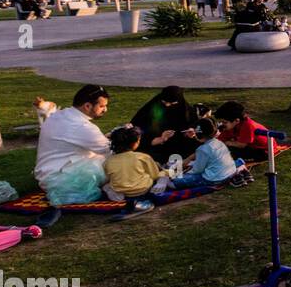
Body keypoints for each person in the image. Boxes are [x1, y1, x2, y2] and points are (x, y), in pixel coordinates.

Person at [33, 83, 112, 222]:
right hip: (64, 181)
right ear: (87, 106)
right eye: (102, 106)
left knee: (101, 156)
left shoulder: (58, 116)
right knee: (120, 160)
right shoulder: (82, 126)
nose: (105, 110)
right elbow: (113, 149)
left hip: (47, 175)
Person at [102, 124, 172, 214]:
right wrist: (166, 172)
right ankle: (142, 201)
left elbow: (109, 178)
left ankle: (121, 200)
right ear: (136, 143)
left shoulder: (108, 161)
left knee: (107, 186)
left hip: (122, 192)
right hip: (144, 190)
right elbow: (154, 175)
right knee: (161, 177)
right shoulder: (142, 157)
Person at [130, 85, 200, 162]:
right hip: (154, 143)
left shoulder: (186, 111)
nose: (167, 105)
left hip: (177, 144)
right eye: (164, 102)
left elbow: (192, 125)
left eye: (172, 103)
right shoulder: (152, 107)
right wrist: (158, 139)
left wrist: (189, 133)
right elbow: (138, 126)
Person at [171, 118, 247, 189]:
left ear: (198, 135)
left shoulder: (202, 149)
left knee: (175, 182)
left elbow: (198, 170)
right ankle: (239, 167)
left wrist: (185, 171)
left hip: (215, 179)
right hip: (229, 172)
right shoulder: (219, 142)